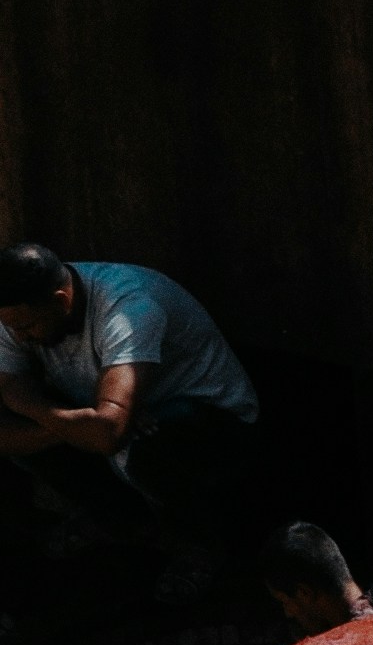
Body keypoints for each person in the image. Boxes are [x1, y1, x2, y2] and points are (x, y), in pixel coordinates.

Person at [0, 240, 261, 559]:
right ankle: (126, 525)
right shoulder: (16, 314)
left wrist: (96, 423)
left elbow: (108, 434)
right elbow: (11, 396)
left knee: (144, 441)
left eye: (28, 327)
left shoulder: (129, 306)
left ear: (61, 300)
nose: (21, 337)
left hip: (213, 421)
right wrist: (78, 422)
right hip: (111, 415)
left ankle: (201, 547)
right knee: (43, 423)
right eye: (13, 329)